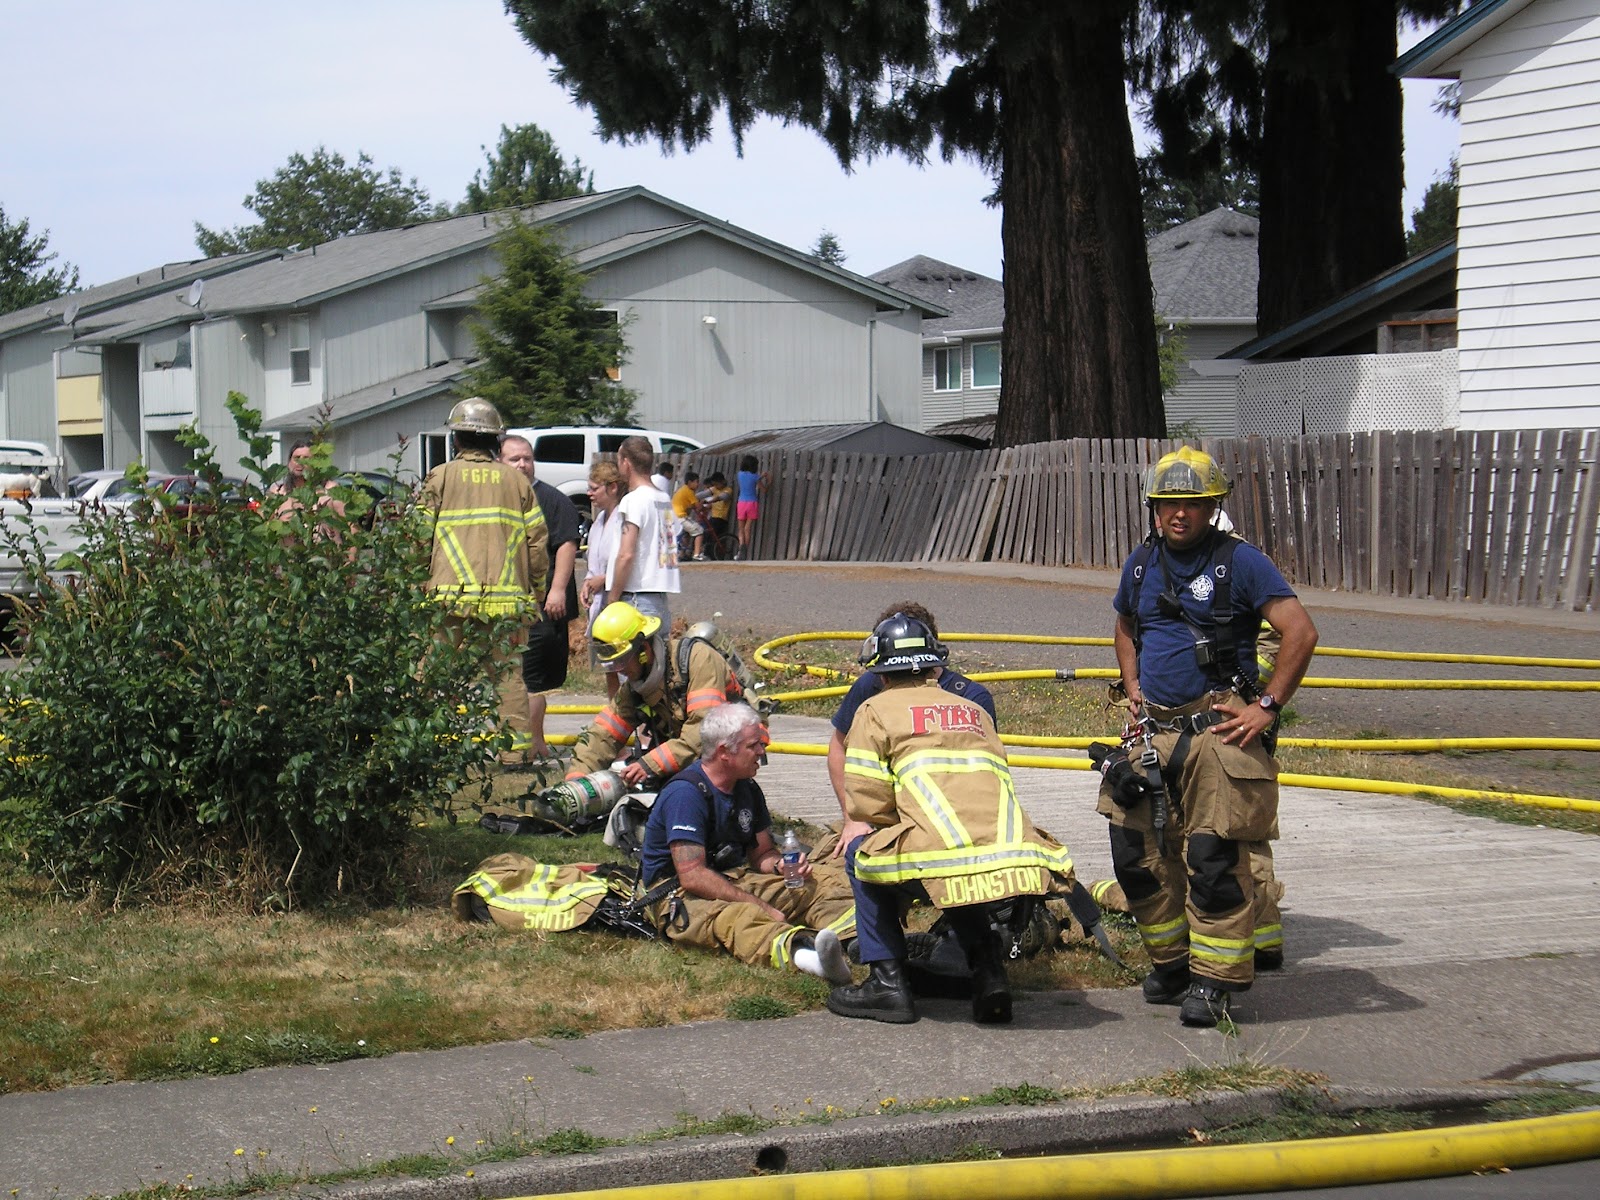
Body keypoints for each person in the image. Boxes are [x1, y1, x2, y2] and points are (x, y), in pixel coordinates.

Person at [1096, 447, 1317, 1028]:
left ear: (1212, 507)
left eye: (1192, 505)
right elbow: (1124, 626)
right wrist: (1133, 683)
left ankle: (1214, 982)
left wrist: (1266, 707)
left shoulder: (1242, 563)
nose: (1178, 515)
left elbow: (1300, 631)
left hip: (1218, 732)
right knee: (1135, 856)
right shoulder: (1140, 565)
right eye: (1168, 504)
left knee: (1213, 859)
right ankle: (1171, 964)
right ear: (1153, 507)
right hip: (1154, 730)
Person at [827, 612, 1073, 1026]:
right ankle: (989, 974)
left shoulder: (874, 710)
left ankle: (887, 984)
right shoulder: (972, 708)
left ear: (881, 673)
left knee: (861, 854)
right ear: (932, 666)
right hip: (1011, 855)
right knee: (959, 870)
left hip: (945, 853)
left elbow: (866, 804)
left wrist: (902, 825)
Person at [638, 702, 855, 982]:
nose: (762, 753)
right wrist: (760, 905)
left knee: (812, 887)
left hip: (730, 879)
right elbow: (692, 876)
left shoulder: (747, 788)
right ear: (724, 752)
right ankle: (810, 958)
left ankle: (857, 942)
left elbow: (762, 852)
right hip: (678, 894)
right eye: (754, 745)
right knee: (737, 917)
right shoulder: (685, 794)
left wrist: (782, 867)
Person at [421, 398, 549, 766]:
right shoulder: (518, 482)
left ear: (456, 439)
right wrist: (536, 589)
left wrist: (414, 582)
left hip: (448, 599)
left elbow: (415, 537)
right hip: (507, 602)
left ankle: (429, 751)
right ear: (496, 440)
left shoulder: (440, 477)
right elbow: (538, 543)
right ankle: (514, 755)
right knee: (507, 677)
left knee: (434, 675)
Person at [826, 601, 995, 859]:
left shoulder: (971, 699)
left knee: (859, 861)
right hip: (899, 821)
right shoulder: (869, 686)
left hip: (956, 827)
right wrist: (852, 821)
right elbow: (838, 748)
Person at [565, 601, 747, 786]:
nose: (619, 671)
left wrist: (648, 765)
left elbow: (704, 732)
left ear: (644, 650)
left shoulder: (698, 661)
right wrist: (577, 779)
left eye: (621, 661)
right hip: (693, 752)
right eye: (612, 664)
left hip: (734, 748)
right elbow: (603, 734)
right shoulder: (638, 685)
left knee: (682, 793)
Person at [500, 434, 581, 759]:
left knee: (529, 679)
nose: (522, 464)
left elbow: (566, 545)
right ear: (499, 462)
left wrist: (557, 589)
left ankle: (532, 746)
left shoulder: (552, 499)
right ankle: (525, 744)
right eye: (514, 459)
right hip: (509, 604)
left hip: (543, 606)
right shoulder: (500, 498)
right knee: (513, 676)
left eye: (527, 458)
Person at [609, 436, 679, 629]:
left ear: (626, 463)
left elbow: (626, 554)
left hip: (636, 598)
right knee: (657, 657)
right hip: (659, 599)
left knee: (630, 658)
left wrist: (613, 599)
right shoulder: (663, 498)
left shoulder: (634, 500)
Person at [579, 461, 625, 700]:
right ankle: (614, 713)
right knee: (609, 666)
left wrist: (604, 580)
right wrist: (587, 584)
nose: (590, 494)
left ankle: (634, 722)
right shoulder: (598, 522)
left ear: (613, 488)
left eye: (594, 488)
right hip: (600, 604)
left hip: (619, 602)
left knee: (625, 666)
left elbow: (628, 562)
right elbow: (593, 563)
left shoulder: (623, 519)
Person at [734, 454, 768, 561]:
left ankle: (740, 549)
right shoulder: (755, 477)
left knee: (740, 529)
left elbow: (749, 478)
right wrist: (768, 480)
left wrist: (760, 476)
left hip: (741, 502)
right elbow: (764, 490)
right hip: (752, 503)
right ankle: (745, 551)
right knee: (747, 528)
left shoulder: (739, 474)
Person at [672, 469, 707, 561]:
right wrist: (703, 503)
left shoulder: (683, 489)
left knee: (687, 533)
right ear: (689, 482)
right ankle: (696, 554)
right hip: (681, 517)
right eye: (696, 482)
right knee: (699, 530)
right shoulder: (689, 491)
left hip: (675, 517)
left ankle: (684, 553)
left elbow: (690, 505)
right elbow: (698, 507)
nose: (698, 484)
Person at [703, 471, 733, 552]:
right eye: (714, 485)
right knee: (707, 534)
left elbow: (722, 497)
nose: (716, 486)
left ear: (722, 482)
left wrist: (710, 501)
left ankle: (709, 553)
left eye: (717, 484)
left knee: (713, 536)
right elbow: (703, 494)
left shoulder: (728, 490)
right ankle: (705, 551)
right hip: (713, 517)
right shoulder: (714, 489)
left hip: (721, 518)